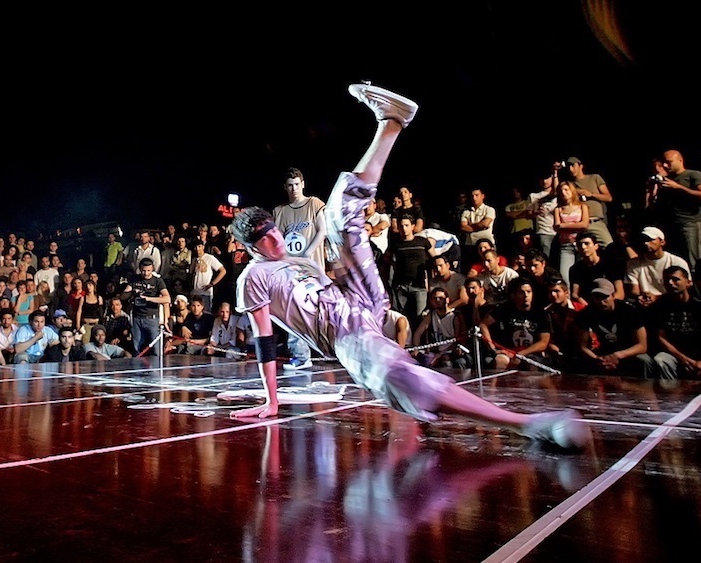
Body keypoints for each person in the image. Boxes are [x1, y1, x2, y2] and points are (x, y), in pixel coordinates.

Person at [228, 83, 587, 450]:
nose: (275, 241)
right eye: (264, 239)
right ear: (250, 247)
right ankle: (528, 424)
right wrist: (271, 400)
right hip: (344, 335)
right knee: (398, 377)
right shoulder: (253, 277)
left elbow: (327, 266)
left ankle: (391, 121)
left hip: (360, 300)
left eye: (274, 231)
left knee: (338, 213)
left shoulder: (291, 256)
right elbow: (265, 341)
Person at [273, 166, 327, 372]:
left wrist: (307, 253)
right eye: (290, 185)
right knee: (293, 312)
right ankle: (301, 355)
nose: (294, 188)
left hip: (312, 269)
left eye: (297, 184)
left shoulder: (314, 204)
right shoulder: (280, 211)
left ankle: (332, 350)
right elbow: (277, 240)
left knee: (318, 313)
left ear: (303, 184)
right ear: (285, 188)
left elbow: (323, 230)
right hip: (291, 272)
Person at [573, 278, 655, 378]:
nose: (601, 301)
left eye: (605, 297)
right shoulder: (586, 313)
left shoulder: (630, 311)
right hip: (604, 352)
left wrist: (617, 355)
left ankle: (647, 389)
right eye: (597, 297)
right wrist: (597, 358)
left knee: (644, 360)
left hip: (629, 352)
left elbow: (642, 346)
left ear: (612, 296)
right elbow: (582, 346)